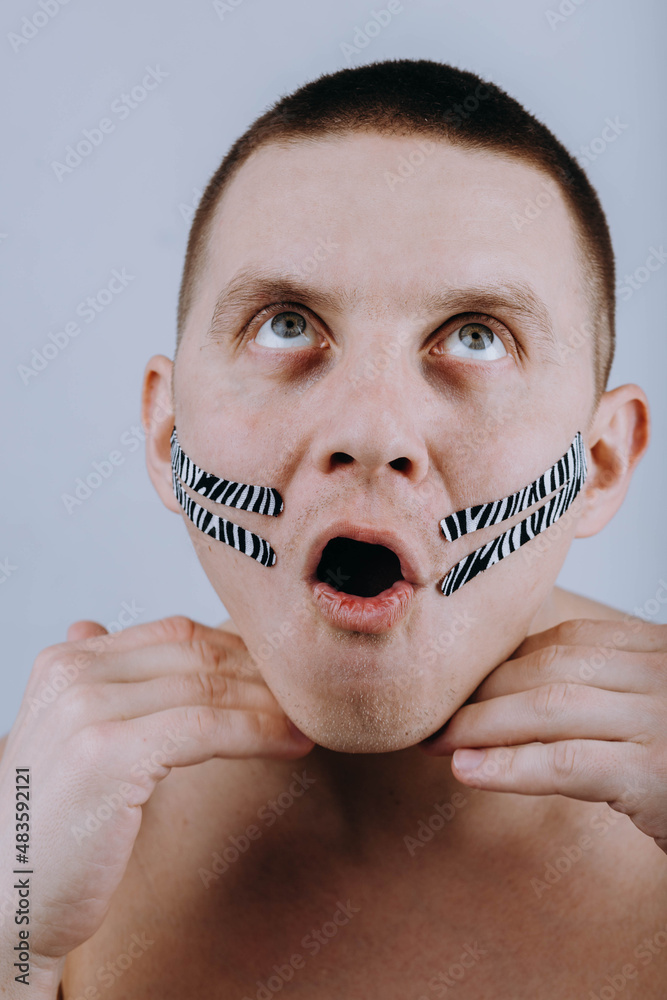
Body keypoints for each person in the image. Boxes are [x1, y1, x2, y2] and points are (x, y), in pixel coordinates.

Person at [1, 58, 666, 999]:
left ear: (598, 465)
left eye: (475, 336)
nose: (369, 430)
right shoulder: (25, 823)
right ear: (166, 432)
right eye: (284, 326)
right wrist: (13, 933)